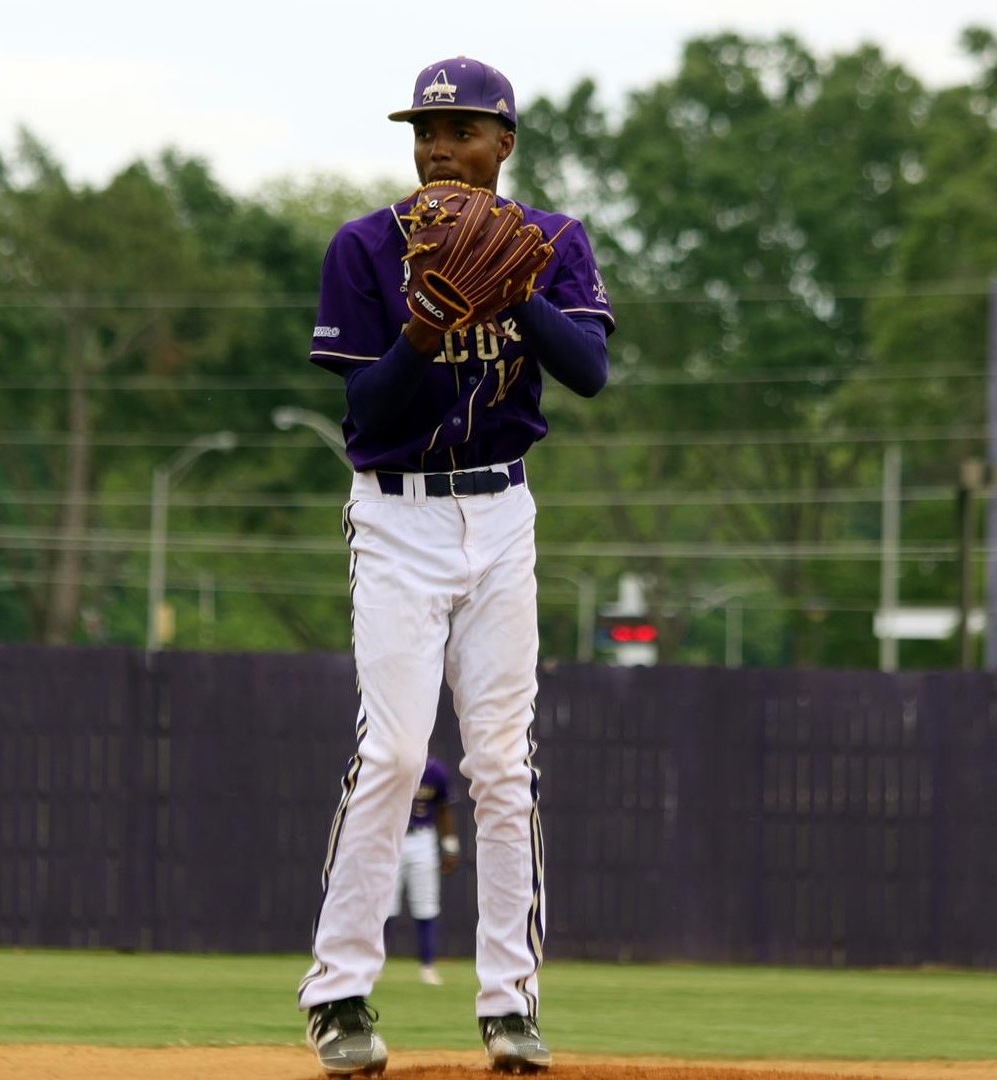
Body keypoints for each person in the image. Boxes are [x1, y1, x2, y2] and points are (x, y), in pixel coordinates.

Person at [296, 55, 614, 1078]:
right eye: (425, 133)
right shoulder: (365, 247)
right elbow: (366, 413)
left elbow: (589, 372)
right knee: (394, 756)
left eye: (462, 131)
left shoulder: (550, 242)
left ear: (503, 143)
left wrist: (516, 295)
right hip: (397, 517)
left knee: (502, 765)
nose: (439, 149)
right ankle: (338, 994)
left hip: (502, 512)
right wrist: (428, 326)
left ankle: (508, 1006)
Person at [388, 755, 460, 986]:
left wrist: (450, 846)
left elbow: (443, 808)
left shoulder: (435, 770)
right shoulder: (389, 764)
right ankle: (373, 965)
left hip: (423, 837)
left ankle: (428, 966)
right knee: (384, 905)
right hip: (391, 835)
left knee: (426, 905)